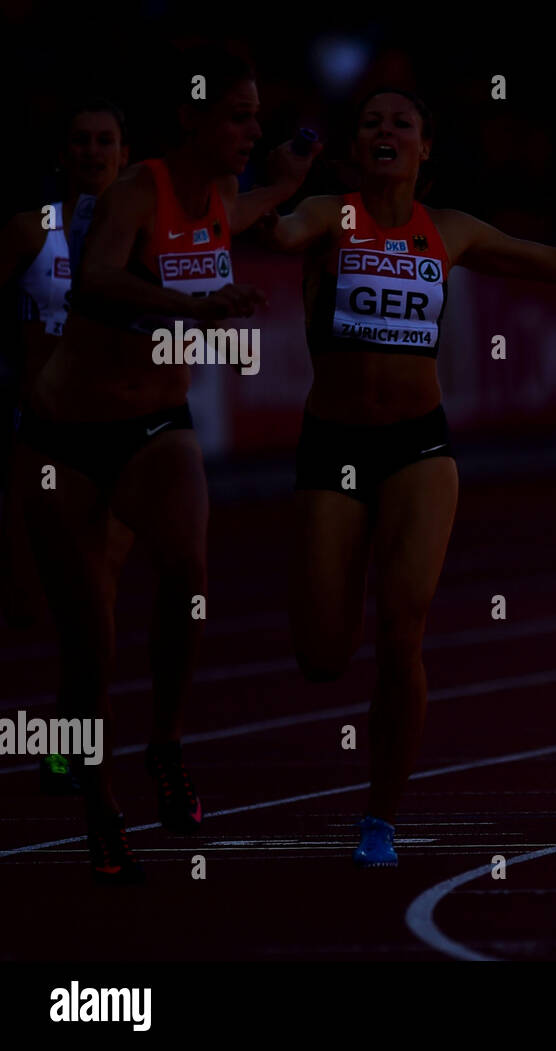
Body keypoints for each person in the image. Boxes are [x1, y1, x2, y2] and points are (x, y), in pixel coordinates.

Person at [260, 87, 556, 867]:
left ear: (425, 150)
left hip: (420, 446)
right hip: (334, 446)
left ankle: (380, 817)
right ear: (357, 147)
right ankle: (351, 719)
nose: (385, 131)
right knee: (321, 653)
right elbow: (276, 234)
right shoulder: (330, 213)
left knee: (402, 629)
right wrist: (279, 185)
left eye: (400, 124)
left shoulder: (449, 231)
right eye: (372, 123)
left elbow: (555, 266)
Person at [16, 46, 318, 882]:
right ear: (191, 118)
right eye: (238, 116)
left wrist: (292, 179)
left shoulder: (221, 194)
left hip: (157, 423)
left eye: (259, 115)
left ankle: (167, 746)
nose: (253, 129)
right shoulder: (134, 192)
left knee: (189, 569)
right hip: (67, 437)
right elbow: (97, 283)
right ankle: (97, 799)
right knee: (90, 641)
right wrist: (192, 304)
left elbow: (252, 201)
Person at [0, 98, 130, 794]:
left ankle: (83, 751)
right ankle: (73, 730)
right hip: (42, 441)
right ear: (62, 155)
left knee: (95, 596)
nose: (91, 152)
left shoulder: (143, 237)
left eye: (104, 140)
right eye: (79, 141)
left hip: (118, 442)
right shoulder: (30, 231)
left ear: (125, 154)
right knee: (30, 606)